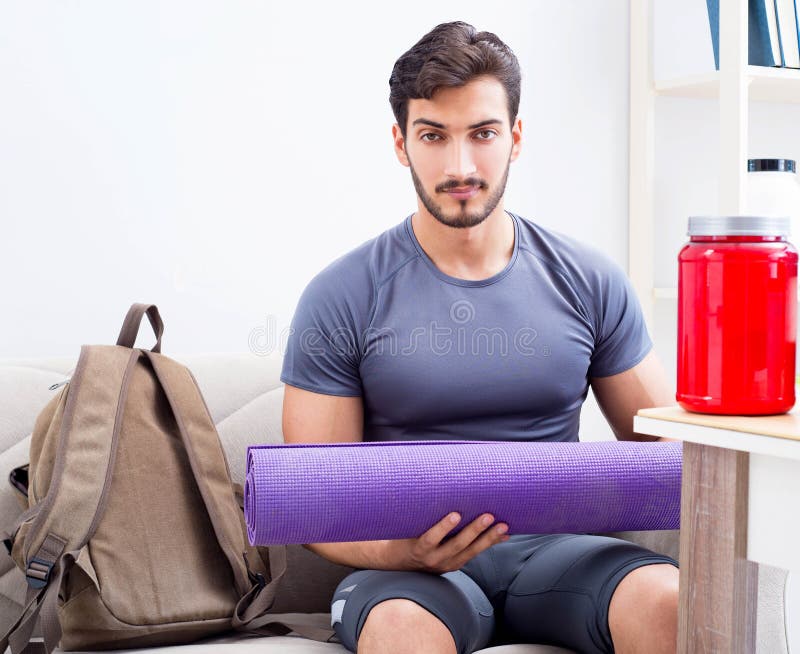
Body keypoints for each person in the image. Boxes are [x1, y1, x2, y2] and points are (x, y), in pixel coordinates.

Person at [279, 21, 679, 654]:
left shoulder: (590, 280)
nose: (460, 165)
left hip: (561, 555)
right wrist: (398, 549)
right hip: (408, 571)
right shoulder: (341, 295)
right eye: (433, 136)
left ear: (515, 138)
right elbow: (312, 501)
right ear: (400, 143)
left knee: (671, 606)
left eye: (483, 134)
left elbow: (671, 454)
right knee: (402, 633)